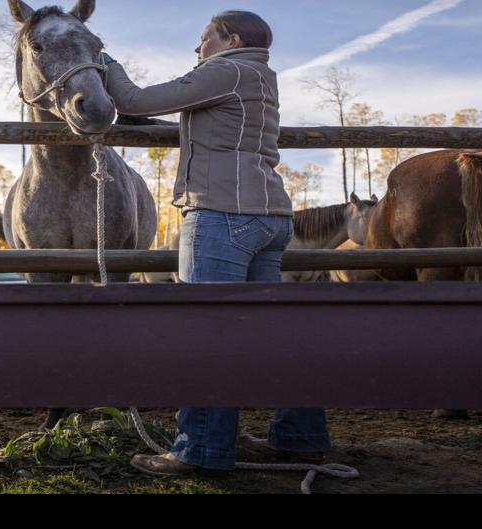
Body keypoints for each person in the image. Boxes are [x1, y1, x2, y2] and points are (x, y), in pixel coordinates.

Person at [103, 11, 331, 476]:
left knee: (205, 332)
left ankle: (201, 450)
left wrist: (104, 62)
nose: (197, 48)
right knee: (270, 336)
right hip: (269, 218)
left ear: (231, 39)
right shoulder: (259, 76)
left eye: (203, 38)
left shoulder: (225, 71)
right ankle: (300, 438)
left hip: (224, 214)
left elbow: (134, 98)